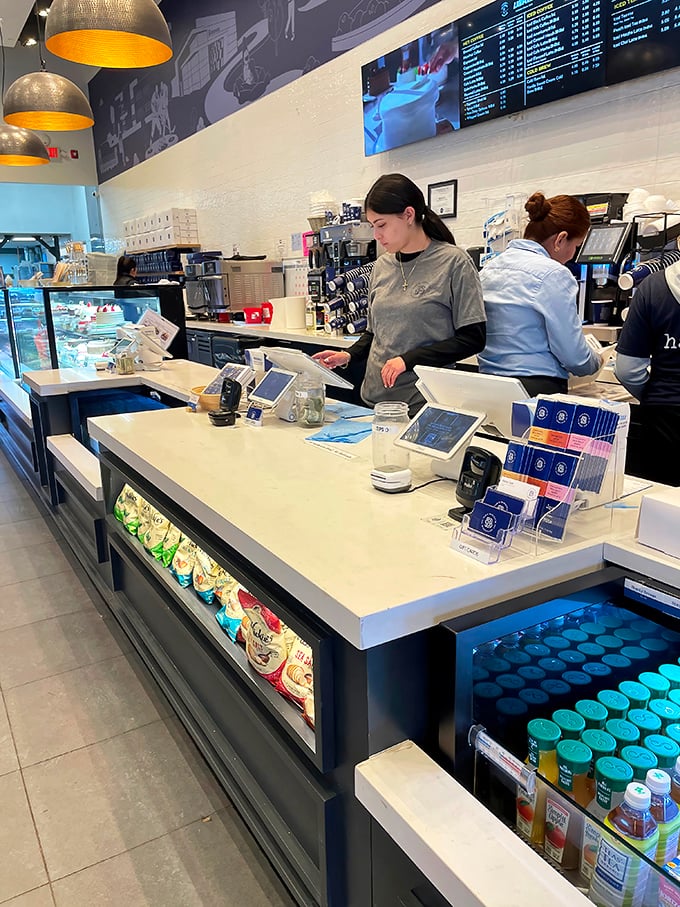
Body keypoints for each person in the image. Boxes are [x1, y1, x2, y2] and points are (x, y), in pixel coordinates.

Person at [312, 173, 486, 414]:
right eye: (373, 226)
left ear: (408, 215)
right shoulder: (382, 266)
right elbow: (375, 334)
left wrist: (409, 359)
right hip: (374, 400)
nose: (377, 235)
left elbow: (472, 338)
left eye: (381, 225)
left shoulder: (454, 262)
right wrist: (349, 355)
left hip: (423, 404)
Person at [478, 192, 601, 397]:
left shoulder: (489, 268)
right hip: (536, 390)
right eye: (576, 246)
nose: (573, 255)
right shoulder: (554, 274)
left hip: (489, 386)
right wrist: (596, 360)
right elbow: (574, 358)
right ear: (561, 239)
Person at [615, 259, 680, 485]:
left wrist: (655, 396)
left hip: (665, 421)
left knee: (664, 505)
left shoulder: (653, 287)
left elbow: (626, 369)